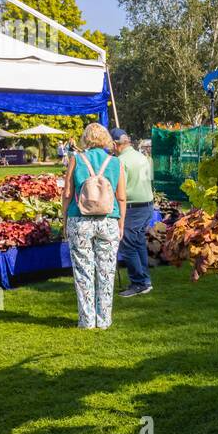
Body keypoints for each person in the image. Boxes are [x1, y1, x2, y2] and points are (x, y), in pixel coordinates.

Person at [63, 122, 127, 329]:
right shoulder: (116, 162)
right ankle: (104, 320)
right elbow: (122, 197)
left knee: (83, 270)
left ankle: (87, 320)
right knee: (107, 271)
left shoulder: (76, 159)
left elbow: (66, 193)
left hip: (79, 219)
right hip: (108, 220)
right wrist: (121, 224)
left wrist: (64, 220)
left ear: (86, 139)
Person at [110, 127, 154, 298]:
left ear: (115, 144)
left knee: (128, 246)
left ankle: (139, 283)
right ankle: (144, 281)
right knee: (138, 244)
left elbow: (119, 188)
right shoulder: (143, 157)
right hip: (147, 205)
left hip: (133, 207)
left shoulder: (120, 161)